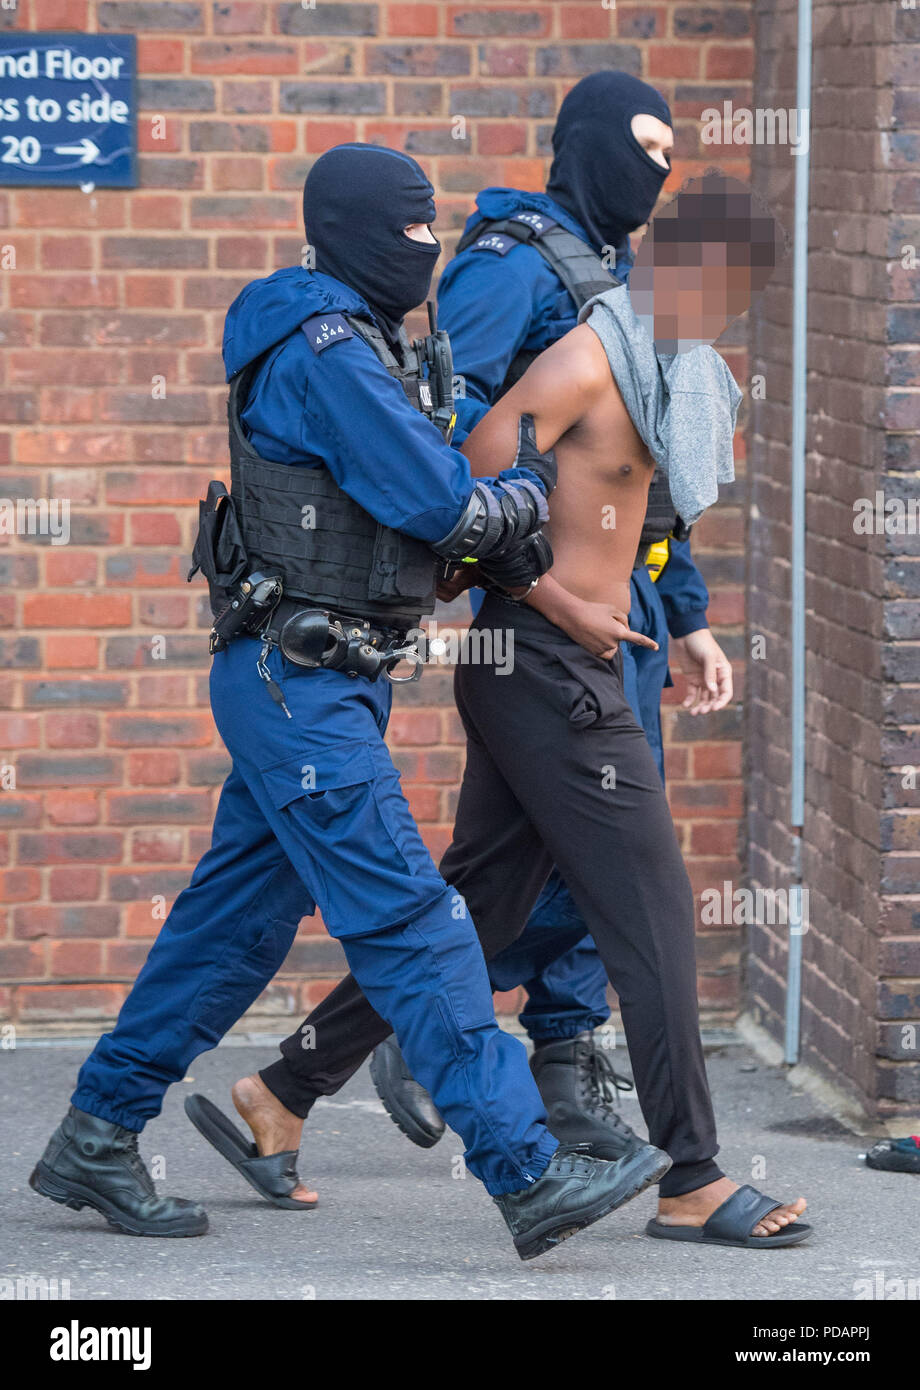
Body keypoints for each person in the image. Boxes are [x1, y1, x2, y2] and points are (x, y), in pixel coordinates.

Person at [29, 144, 671, 1261]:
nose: (424, 253)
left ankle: (97, 1129)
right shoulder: (326, 347)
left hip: (312, 680)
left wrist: (488, 500)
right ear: (351, 231)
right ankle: (527, 1167)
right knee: (414, 922)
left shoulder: (355, 336)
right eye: (408, 233)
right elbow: (438, 505)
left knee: (233, 926)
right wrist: (526, 487)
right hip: (300, 684)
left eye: (434, 233)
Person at [204, 173, 813, 1250]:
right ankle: (695, 1175)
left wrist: (666, 613)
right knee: (656, 912)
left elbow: (637, 519)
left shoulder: (675, 376)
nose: (717, 292)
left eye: (739, 278)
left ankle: (282, 1090)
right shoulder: (585, 359)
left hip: (580, 665)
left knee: (478, 904)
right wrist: (560, 595)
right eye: (705, 266)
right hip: (540, 665)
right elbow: (459, 498)